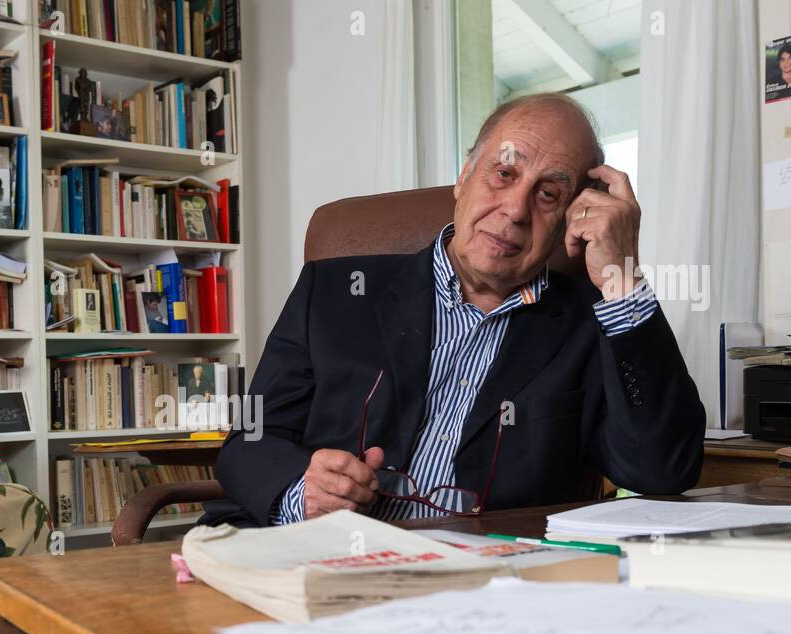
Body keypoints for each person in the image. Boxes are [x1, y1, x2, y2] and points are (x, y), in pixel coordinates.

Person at [208, 93, 705, 527]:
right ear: (464, 176)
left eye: (548, 193)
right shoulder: (334, 291)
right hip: (319, 555)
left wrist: (623, 282)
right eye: (504, 173)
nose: (514, 209)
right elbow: (251, 436)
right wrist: (302, 496)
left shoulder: (595, 324)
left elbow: (662, 472)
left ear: (573, 217)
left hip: (483, 585)